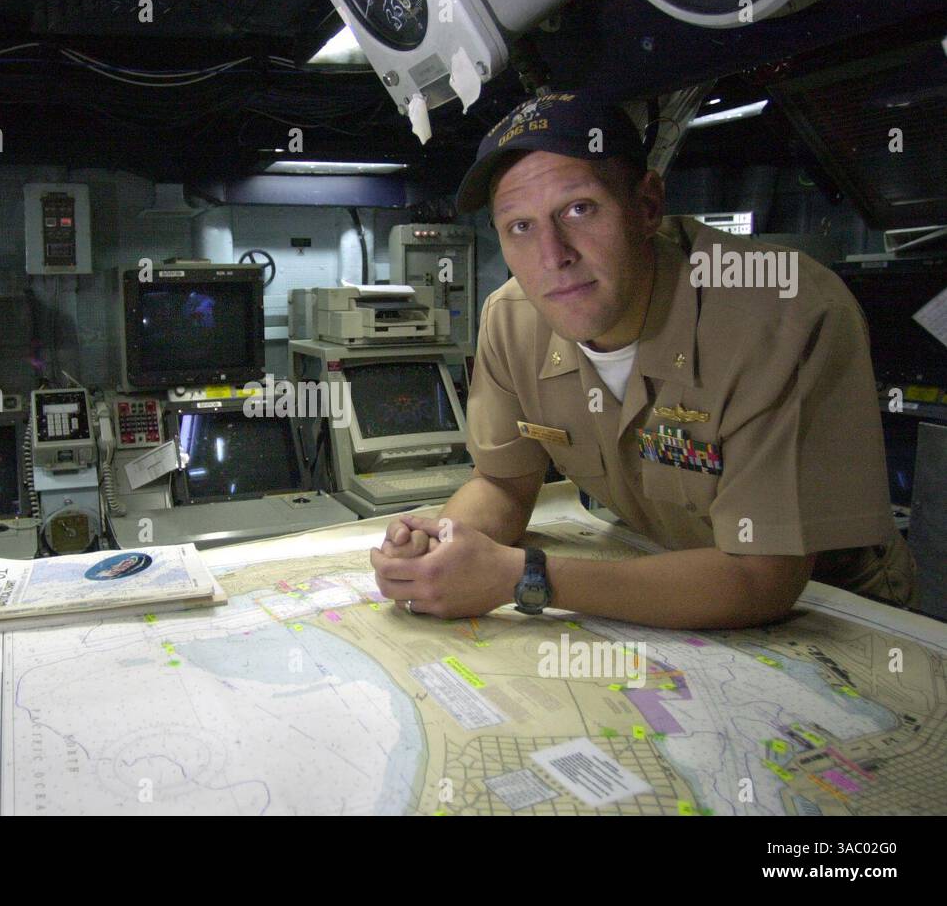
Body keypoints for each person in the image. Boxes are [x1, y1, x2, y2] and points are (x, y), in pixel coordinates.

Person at [369, 91, 915, 629]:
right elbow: (503, 485)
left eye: (579, 209)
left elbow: (762, 578)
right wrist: (441, 545)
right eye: (521, 227)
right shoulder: (512, 321)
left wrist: (522, 576)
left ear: (647, 206)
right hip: (661, 574)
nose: (553, 256)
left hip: (830, 612)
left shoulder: (781, 314)